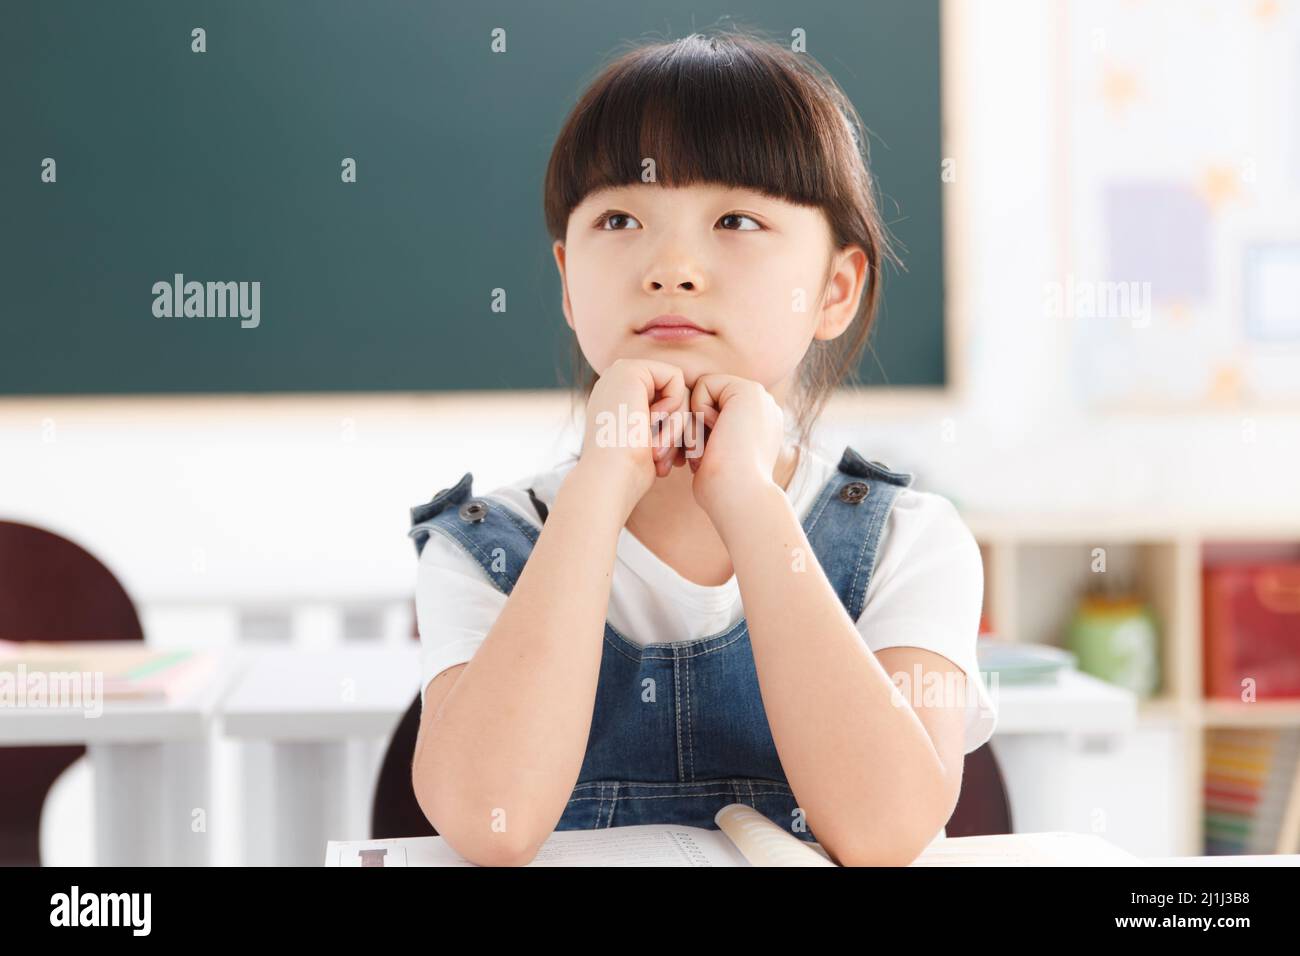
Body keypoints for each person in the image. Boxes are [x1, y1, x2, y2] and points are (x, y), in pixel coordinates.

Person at [408, 29, 996, 867]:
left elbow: (885, 830)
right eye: (620, 219)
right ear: (568, 281)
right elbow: (485, 820)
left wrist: (751, 503)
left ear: (834, 289)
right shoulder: (485, 543)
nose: (672, 267)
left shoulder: (910, 541)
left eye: (736, 219)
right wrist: (600, 490)